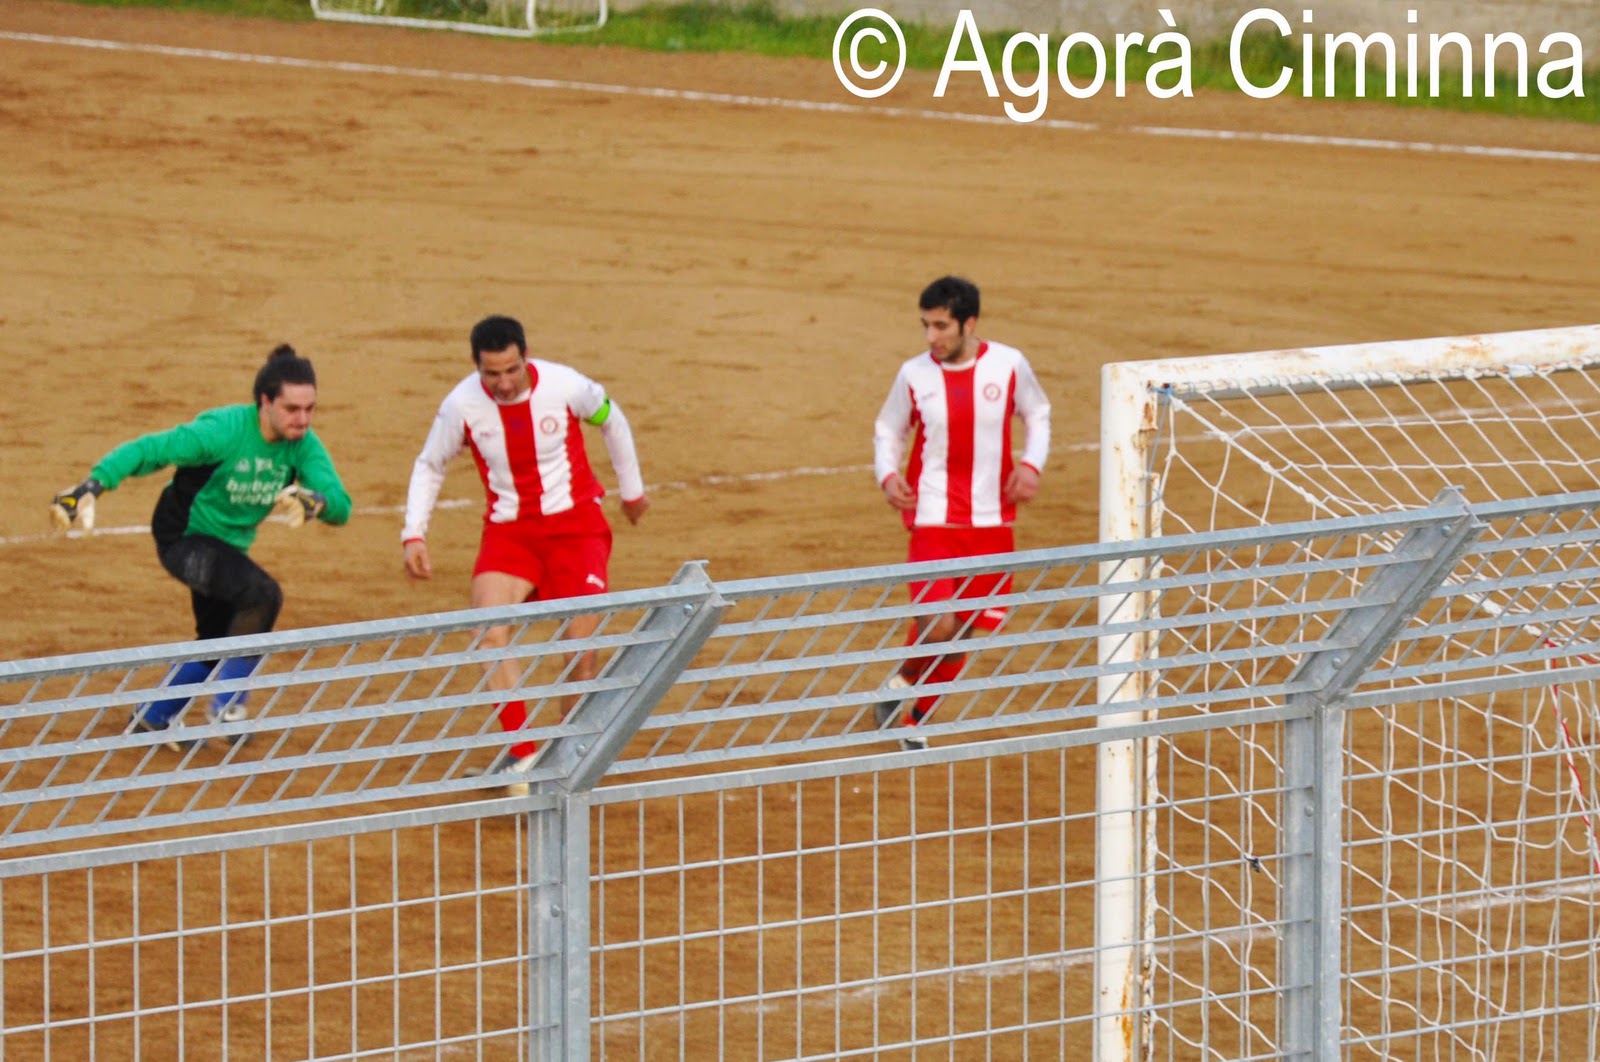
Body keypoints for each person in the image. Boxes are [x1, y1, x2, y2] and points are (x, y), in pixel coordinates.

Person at [49, 344, 352, 749]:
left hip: (228, 549)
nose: (302, 420)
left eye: (310, 409)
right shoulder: (222, 431)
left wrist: (320, 503)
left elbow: (341, 504)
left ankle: (152, 719)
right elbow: (150, 450)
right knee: (261, 596)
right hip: (183, 537)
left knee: (218, 634)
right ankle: (227, 711)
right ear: (265, 402)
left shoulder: (302, 446)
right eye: (292, 409)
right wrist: (94, 484)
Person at [402, 314, 649, 793]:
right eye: (492, 374)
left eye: (512, 370)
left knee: (580, 653)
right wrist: (414, 533)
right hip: (510, 534)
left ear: (525, 357)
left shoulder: (566, 386)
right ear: (477, 367)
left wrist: (632, 491)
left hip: (577, 528)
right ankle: (523, 756)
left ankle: (569, 764)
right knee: (488, 630)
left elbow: (611, 420)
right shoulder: (461, 405)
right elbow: (430, 464)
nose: (503, 382)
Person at [872, 276, 1051, 749]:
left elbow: (1038, 412)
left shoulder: (1009, 365)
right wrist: (888, 475)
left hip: (993, 522)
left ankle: (911, 710)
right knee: (939, 624)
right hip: (932, 517)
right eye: (926, 326)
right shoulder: (913, 374)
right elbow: (888, 429)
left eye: (941, 326)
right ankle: (908, 693)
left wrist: (1031, 465)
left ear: (968, 323)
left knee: (967, 629)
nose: (931, 338)